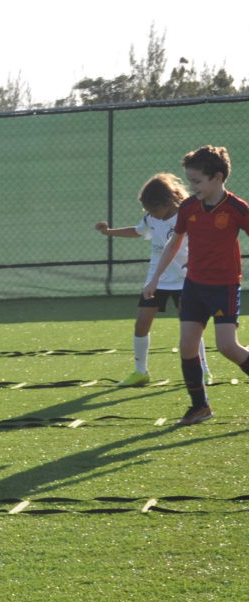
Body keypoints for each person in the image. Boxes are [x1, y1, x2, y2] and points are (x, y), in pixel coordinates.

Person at [144, 145, 249, 425]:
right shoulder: (189, 207)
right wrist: (155, 277)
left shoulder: (237, 208)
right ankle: (200, 406)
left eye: (197, 181)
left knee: (228, 346)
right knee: (187, 346)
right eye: (190, 180)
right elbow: (174, 242)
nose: (192, 186)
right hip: (193, 286)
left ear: (217, 177)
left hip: (224, 287)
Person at [95, 173, 203, 386]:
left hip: (184, 280)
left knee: (190, 329)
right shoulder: (150, 219)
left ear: (168, 202)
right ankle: (140, 371)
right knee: (141, 323)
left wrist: (197, 262)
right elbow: (137, 231)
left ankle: (204, 371)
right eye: (148, 210)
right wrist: (109, 232)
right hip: (156, 281)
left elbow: (202, 241)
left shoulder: (186, 215)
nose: (151, 213)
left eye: (154, 209)